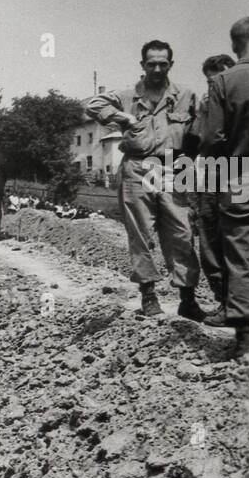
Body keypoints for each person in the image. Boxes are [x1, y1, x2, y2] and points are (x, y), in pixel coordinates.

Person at [84, 41, 204, 319]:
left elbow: (197, 135)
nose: (157, 68)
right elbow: (93, 105)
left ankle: (187, 299)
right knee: (140, 235)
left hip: (174, 168)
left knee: (182, 233)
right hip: (138, 169)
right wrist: (121, 117)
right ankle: (149, 295)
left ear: (170, 65)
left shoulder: (186, 95)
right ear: (143, 66)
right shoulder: (127, 95)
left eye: (163, 63)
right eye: (152, 63)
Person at [198, 16, 249, 355]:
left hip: (239, 173)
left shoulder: (224, 81)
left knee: (241, 255)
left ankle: (248, 341)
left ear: (235, 44)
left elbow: (212, 138)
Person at [183, 53, 236, 312]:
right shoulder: (203, 112)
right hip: (208, 181)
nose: (214, 88)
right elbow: (188, 150)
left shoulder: (246, 106)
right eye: (210, 83)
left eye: (220, 82)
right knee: (209, 242)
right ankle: (224, 302)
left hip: (239, 176)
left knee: (239, 241)